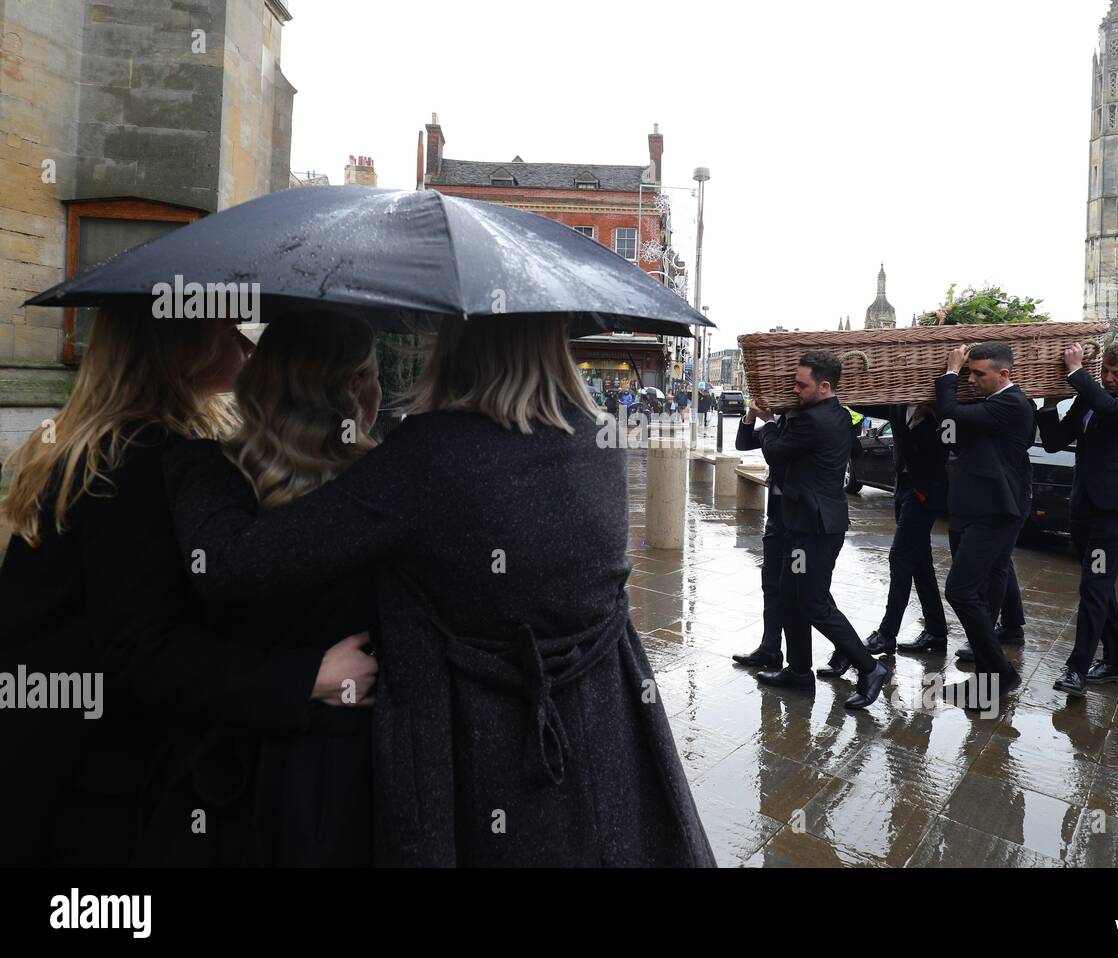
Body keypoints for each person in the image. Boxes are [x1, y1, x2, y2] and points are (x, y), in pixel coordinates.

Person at [164, 314, 715, 866]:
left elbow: (233, 563)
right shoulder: (601, 437)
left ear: (459, 342)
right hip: (605, 724)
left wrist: (199, 454)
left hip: (479, 744)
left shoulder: (428, 454)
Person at [0, 308, 375, 867]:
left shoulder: (111, 443)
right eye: (226, 333)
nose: (246, 348)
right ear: (177, 346)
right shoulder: (132, 461)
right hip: (89, 786)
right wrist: (301, 680)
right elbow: (140, 646)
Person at [137, 309, 382, 866]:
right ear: (352, 387)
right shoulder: (383, 488)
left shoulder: (202, 471)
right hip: (323, 777)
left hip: (221, 770)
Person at [748, 351, 893, 711]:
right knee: (789, 593)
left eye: (801, 384)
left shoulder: (814, 421)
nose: (795, 390)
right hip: (805, 524)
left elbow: (775, 453)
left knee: (813, 602)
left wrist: (767, 422)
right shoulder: (839, 415)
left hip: (816, 529)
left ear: (824, 386)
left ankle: (870, 667)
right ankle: (798, 671)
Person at [1036, 340, 1118, 696]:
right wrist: (1048, 403)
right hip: (1084, 506)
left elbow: (1110, 409)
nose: (1108, 378)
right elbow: (1053, 442)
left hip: (1117, 511)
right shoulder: (1091, 398)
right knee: (1099, 585)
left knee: (1093, 586)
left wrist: (1078, 373)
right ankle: (1117, 662)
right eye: (1105, 371)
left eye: (1117, 374)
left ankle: (1076, 669)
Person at [934, 341, 1035, 708]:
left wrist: (949, 372)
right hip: (974, 507)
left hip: (996, 511)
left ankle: (1002, 674)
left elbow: (949, 410)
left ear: (1003, 374)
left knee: (960, 591)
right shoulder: (991, 405)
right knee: (981, 591)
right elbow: (951, 429)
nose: (971, 380)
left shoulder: (1012, 403)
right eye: (967, 373)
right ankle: (988, 680)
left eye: (979, 374)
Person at [848, 404, 951, 659]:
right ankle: (936, 629)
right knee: (919, 562)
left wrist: (928, 417)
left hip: (925, 493)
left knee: (901, 557)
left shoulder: (943, 410)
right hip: (903, 489)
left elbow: (943, 450)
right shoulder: (898, 402)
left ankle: (887, 633)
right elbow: (866, 401)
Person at [732, 410, 792, 671]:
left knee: (810, 593)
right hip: (776, 513)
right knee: (771, 583)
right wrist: (750, 416)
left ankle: (846, 651)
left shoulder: (801, 420)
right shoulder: (779, 422)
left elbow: (775, 453)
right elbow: (743, 444)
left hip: (799, 517)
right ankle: (770, 648)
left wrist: (768, 421)